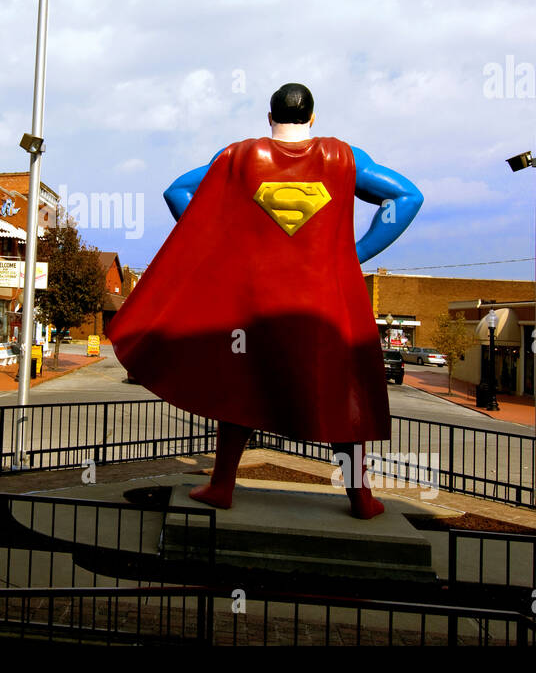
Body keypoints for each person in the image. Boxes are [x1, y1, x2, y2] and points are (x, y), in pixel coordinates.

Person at [106, 83, 422, 519]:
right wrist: (359, 251)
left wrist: (218, 243)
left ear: (268, 117)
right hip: (324, 299)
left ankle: (221, 485)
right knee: (341, 388)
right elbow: (407, 196)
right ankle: (360, 497)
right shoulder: (345, 157)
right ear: (313, 117)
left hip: (255, 297)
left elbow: (177, 191)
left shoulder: (237, 157)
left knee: (243, 384)